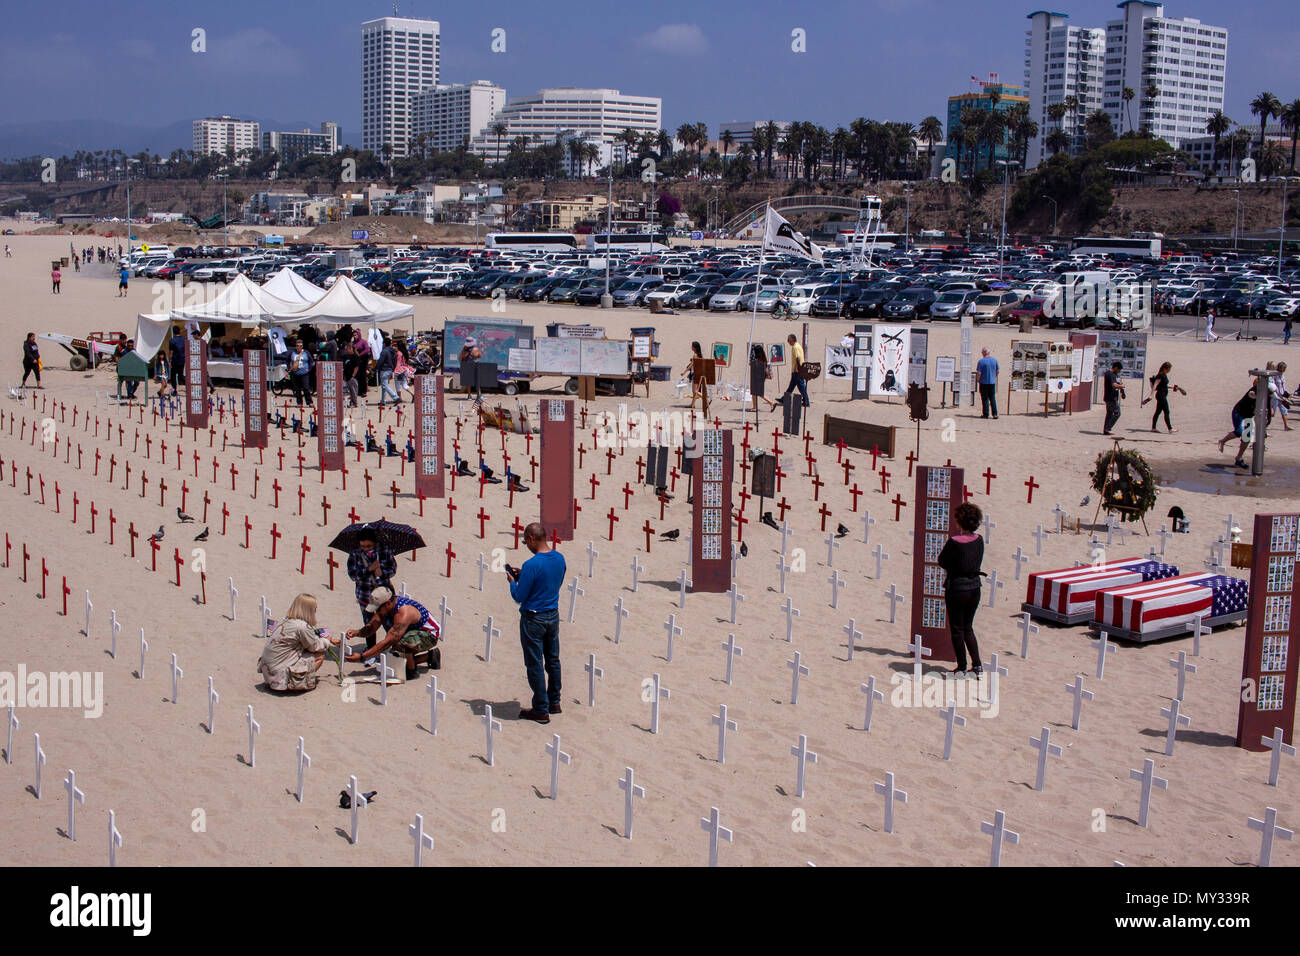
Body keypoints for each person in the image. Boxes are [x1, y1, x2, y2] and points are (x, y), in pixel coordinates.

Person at [506, 522, 565, 723]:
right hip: (552, 614)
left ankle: (540, 709)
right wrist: (525, 577)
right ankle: (554, 701)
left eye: (525, 541)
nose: (526, 544)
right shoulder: (559, 558)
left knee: (535, 664)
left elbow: (519, 596)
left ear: (531, 538)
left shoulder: (532, 564)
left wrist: (513, 582)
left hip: (533, 618)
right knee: (553, 659)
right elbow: (551, 582)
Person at [345, 587, 442, 680]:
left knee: (401, 644)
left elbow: (388, 641)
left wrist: (362, 656)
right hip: (412, 631)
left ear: (387, 603)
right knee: (395, 655)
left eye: (377, 609)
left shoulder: (404, 613)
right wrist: (357, 632)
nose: (376, 611)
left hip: (430, 634)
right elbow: (371, 627)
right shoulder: (385, 608)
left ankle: (411, 670)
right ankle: (430, 657)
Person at [938, 502, 985, 676]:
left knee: (957, 629)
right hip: (975, 587)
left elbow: (942, 561)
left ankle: (962, 666)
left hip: (957, 589)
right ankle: (978, 664)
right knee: (968, 627)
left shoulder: (954, 542)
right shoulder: (979, 539)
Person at [257, 593, 338, 692]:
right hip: (279, 675)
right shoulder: (302, 627)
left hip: (268, 671)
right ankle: (300, 683)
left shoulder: (285, 620)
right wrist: (327, 641)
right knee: (320, 654)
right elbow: (314, 646)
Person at [345, 533, 397, 630]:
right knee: (368, 625)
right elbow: (353, 576)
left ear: (375, 543)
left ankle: (390, 644)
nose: (365, 548)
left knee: (389, 623)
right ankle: (370, 646)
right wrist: (369, 569)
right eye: (362, 546)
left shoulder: (384, 550)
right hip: (364, 595)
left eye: (369, 546)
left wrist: (382, 573)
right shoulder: (355, 554)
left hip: (383, 595)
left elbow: (393, 569)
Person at [1218, 382, 1258, 469]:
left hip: (1249, 416)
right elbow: (1251, 395)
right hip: (1239, 413)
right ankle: (1222, 441)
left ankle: (1239, 458)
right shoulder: (1253, 391)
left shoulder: (1267, 394)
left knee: (1247, 437)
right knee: (1239, 432)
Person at [1141, 361, 1185, 433]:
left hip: (1162, 395)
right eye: (1169, 369)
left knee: (1158, 412)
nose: (1169, 371)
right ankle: (1170, 429)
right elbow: (1155, 385)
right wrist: (1151, 395)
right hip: (1161, 396)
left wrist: (1173, 387)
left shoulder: (1164, 375)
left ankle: (1153, 428)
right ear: (1165, 368)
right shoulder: (1160, 375)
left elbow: (1163, 385)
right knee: (1167, 411)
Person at [781, 333, 810, 409]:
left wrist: (796, 368)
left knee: (801, 386)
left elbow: (798, 358)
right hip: (797, 370)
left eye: (788, 340)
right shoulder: (798, 346)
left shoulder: (795, 347)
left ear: (792, 340)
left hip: (797, 371)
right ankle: (784, 399)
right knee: (791, 386)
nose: (788, 342)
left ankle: (806, 401)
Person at [1101, 360, 1125, 435]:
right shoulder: (1111, 374)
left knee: (1109, 413)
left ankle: (1106, 430)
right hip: (1111, 398)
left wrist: (1122, 391)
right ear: (1116, 368)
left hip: (1109, 397)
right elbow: (1114, 385)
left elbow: (1116, 384)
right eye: (1119, 370)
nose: (1119, 372)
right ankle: (1108, 428)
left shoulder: (1111, 374)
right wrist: (1122, 386)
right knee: (1117, 413)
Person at [1268, 361, 1292, 432]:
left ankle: (1286, 426)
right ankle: (1265, 426)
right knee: (1272, 412)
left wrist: (1287, 393)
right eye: (1282, 368)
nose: (1284, 370)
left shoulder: (1282, 375)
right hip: (1275, 397)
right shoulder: (1275, 375)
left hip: (1282, 396)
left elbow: (1283, 386)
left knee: (1284, 411)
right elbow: (1273, 386)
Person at [288, 337, 312, 407]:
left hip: (304, 373)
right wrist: (289, 367)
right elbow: (287, 359)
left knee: (306, 388)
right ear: (295, 346)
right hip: (295, 373)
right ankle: (299, 402)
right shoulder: (292, 353)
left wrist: (309, 369)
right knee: (297, 389)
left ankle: (309, 402)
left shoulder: (306, 352)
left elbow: (311, 361)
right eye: (297, 345)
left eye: (300, 346)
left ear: (302, 346)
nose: (299, 347)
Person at [976, 347, 999, 419]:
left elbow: (979, 373)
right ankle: (995, 414)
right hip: (992, 382)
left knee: (985, 398)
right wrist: (994, 377)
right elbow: (997, 371)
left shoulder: (981, 361)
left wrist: (978, 380)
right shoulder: (994, 360)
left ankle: (986, 414)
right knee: (992, 398)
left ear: (983, 353)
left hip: (983, 382)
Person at [376, 335, 400, 406]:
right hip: (390, 369)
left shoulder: (384, 351)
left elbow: (380, 361)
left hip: (384, 369)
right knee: (384, 385)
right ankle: (383, 401)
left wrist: (376, 368)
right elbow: (395, 360)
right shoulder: (393, 351)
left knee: (384, 385)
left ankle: (395, 397)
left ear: (384, 344)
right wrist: (393, 368)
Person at [458, 337, 483, 403]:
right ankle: (479, 395)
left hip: (466, 367)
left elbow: (460, 359)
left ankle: (469, 395)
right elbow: (480, 356)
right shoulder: (475, 349)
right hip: (474, 366)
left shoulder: (463, 350)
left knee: (468, 382)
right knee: (477, 380)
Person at [167, 326, 187, 394]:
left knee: (173, 376)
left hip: (175, 360)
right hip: (182, 359)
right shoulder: (184, 339)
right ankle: (188, 384)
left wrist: (169, 361)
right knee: (180, 375)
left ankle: (174, 390)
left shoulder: (172, 340)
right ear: (180, 331)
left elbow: (171, 352)